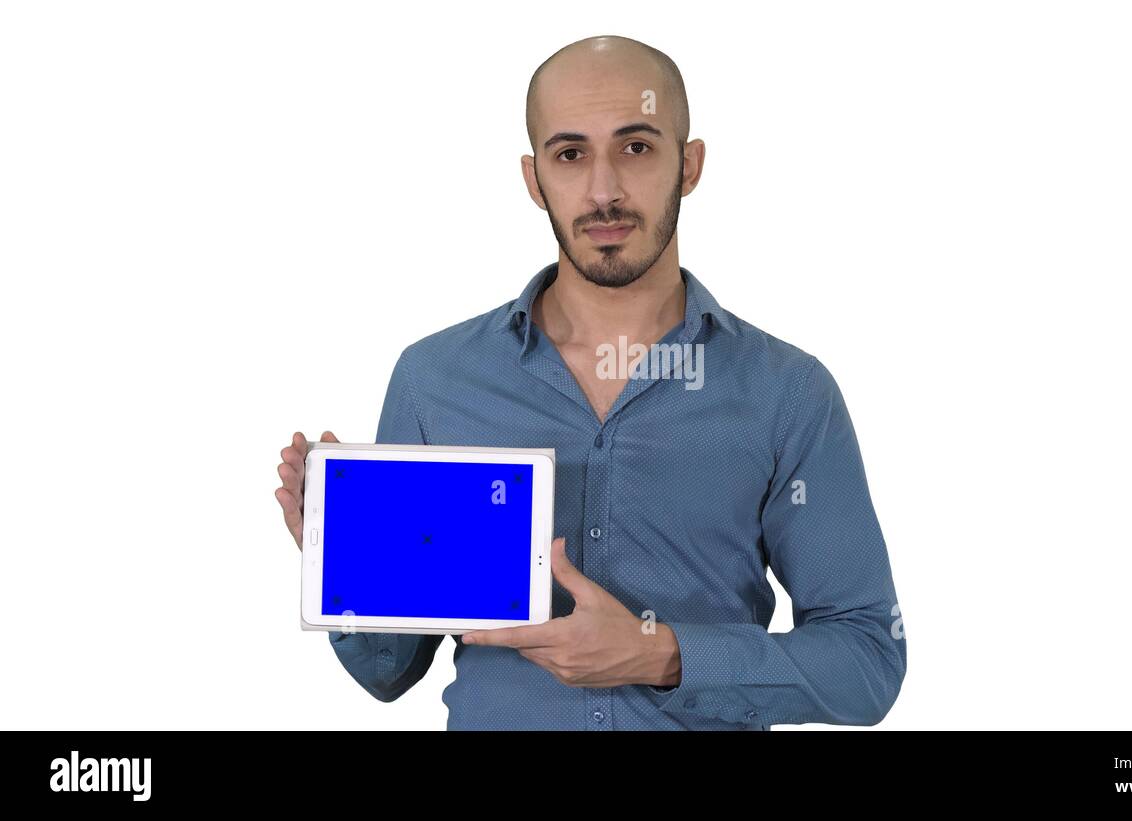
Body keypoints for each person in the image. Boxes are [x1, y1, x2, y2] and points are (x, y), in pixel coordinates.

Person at [275, 34, 907, 730]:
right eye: (570, 154)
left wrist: (660, 654)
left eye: (636, 147)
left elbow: (867, 660)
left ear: (689, 164)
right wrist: (343, 561)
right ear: (533, 177)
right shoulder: (435, 381)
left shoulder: (788, 394)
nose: (603, 190)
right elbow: (386, 671)